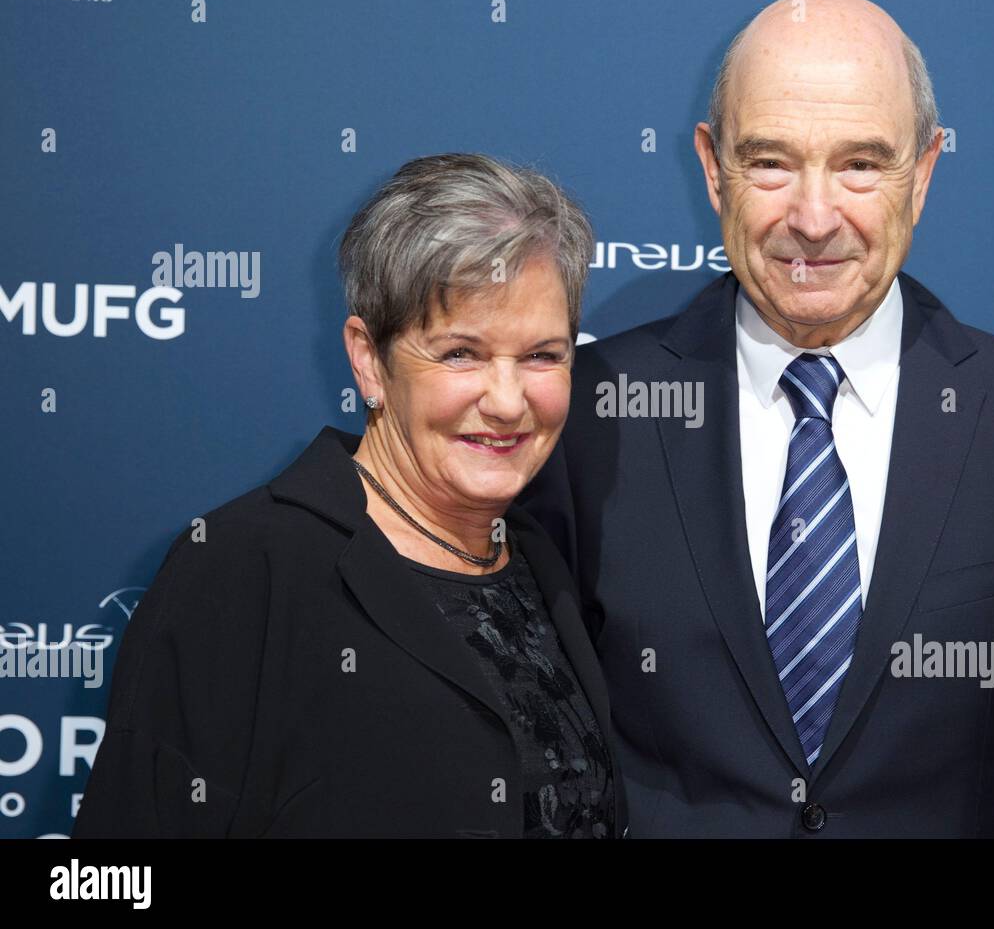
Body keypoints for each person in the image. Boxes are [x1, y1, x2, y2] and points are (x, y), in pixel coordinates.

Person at [520, 0, 994, 837]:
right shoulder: (589, 410)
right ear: (712, 169)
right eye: (771, 162)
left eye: (860, 164)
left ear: (922, 174)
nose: (813, 220)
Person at [75, 153, 625, 838]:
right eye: (461, 353)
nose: (509, 401)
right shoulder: (245, 570)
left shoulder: (540, 564)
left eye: (543, 355)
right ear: (368, 358)